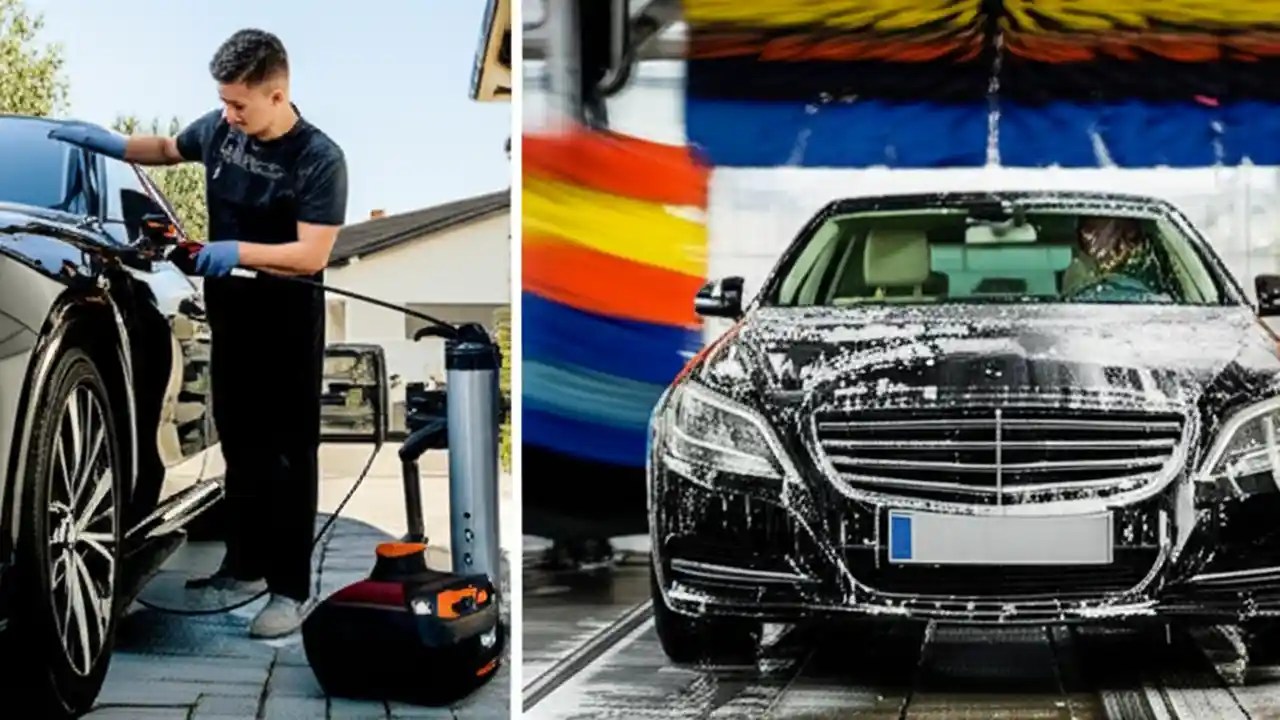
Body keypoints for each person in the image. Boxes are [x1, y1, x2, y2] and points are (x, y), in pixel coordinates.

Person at [47, 28, 348, 638]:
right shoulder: (218, 130)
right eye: (223, 101)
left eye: (239, 104)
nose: (227, 115)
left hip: (287, 318)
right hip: (232, 310)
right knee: (240, 441)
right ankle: (242, 569)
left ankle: (289, 591)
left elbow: (313, 253)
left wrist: (237, 248)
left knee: (288, 453)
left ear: (277, 93)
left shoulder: (319, 158)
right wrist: (108, 143)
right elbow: (164, 146)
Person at [1061, 215, 1165, 297]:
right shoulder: (1078, 276)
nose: (1089, 238)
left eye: (1094, 231)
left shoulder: (1147, 276)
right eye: (1086, 232)